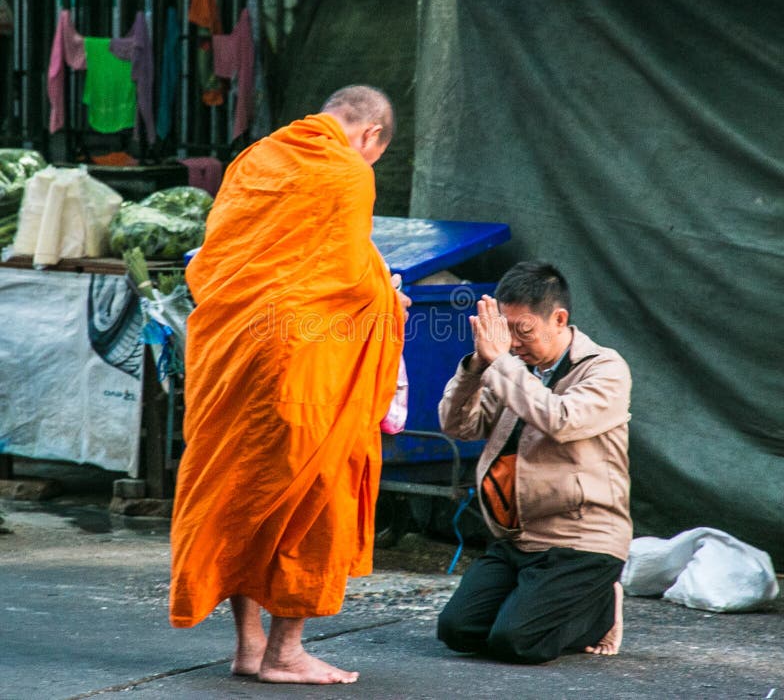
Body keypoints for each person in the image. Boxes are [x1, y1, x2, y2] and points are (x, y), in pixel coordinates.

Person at [169, 85, 409, 685]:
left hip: (231, 352)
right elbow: (347, 278)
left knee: (242, 489)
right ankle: (284, 652)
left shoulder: (255, 158)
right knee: (312, 494)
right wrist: (389, 299)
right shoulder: (348, 172)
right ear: (371, 135)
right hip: (299, 361)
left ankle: (249, 648)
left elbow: (217, 259)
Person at [437, 261, 632, 664]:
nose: (512, 343)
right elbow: (460, 426)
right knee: (457, 631)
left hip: (582, 540)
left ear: (559, 319)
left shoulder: (605, 368)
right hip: (518, 537)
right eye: (504, 330)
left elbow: (561, 420)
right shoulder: (514, 368)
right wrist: (476, 367)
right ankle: (536, 601)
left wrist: (502, 364)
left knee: (518, 642)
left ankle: (599, 607)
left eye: (522, 330)